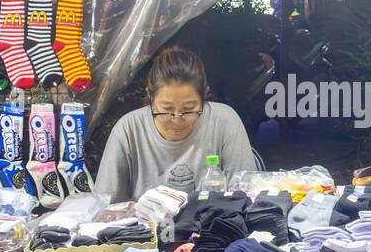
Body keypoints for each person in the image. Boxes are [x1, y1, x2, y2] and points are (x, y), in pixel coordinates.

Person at [95, 45, 259, 201]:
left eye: (188, 109)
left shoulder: (224, 121)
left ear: (205, 95)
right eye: (166, 109)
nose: (177, 120)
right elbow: (105, 202)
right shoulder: (129, 129)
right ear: (150, 97)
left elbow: (246, 193)